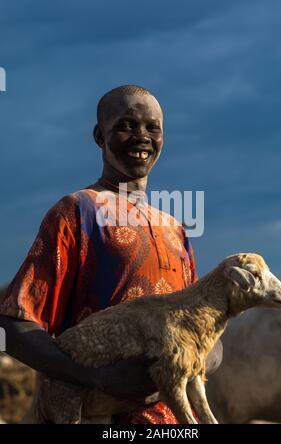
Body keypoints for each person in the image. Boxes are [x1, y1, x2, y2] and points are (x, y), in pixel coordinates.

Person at [0, 85, 222, 424]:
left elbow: (203, 333)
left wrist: (198, 356)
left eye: (153, 127)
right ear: (99, 135)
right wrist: (99, 376)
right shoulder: (77, 212)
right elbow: (14, 325)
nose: (142, 136)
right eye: (126, 125)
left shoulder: (174, 228)